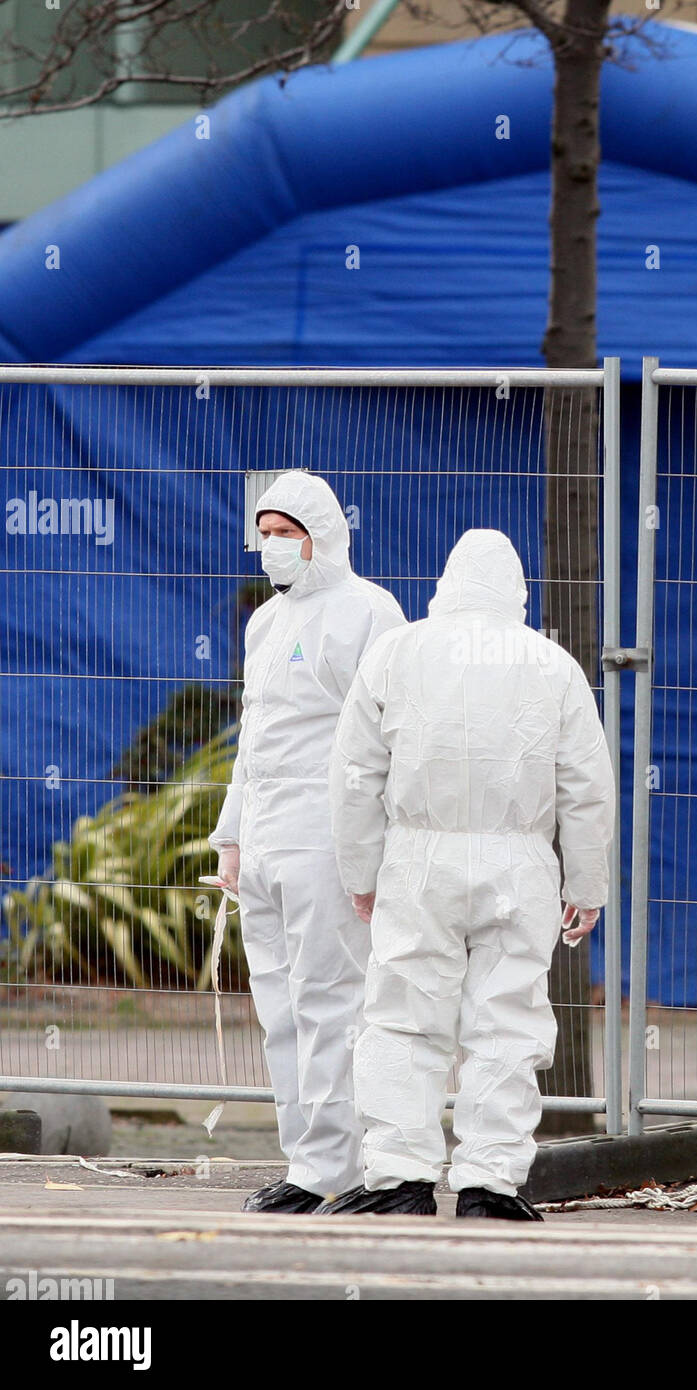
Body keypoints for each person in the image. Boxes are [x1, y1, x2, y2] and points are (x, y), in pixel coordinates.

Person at [318, 528, 614, 1220]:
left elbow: (355, 775)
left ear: (445, 581)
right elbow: (585, 787)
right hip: (521, 864)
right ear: (517, 590)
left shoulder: (395, 654)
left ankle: (399, 1177)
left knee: (401, 1018)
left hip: (419, 861)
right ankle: (490, 1183)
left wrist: (360, 871)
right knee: (507, 1022)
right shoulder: (552, 664)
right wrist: (586, 888)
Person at [209, 470, 405, 1214]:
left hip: (328, 835)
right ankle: (306, 1159)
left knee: (332, 999)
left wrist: (369, 844)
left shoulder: (369, 613)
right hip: (265, 839)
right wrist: (231, 839)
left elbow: (388, 733)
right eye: (263, 533)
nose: (271, 547)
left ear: (322, 535)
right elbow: (256, 737)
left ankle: (344, 1166)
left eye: (285, 533)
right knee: (281, 1005)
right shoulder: (266, 622)